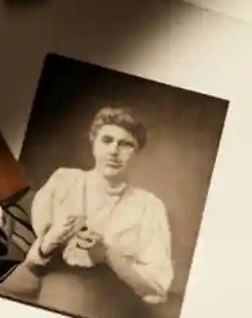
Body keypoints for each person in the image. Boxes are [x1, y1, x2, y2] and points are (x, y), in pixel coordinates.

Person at [19, 107, 174, 316]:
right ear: (93, 141)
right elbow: (22, 256)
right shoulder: (63, 182)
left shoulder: (149, 206)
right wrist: (51, 240)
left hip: (112, 309)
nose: (114, 151)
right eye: (107, 140)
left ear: (136, 152)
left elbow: (156, 286)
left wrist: (110, 256)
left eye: (126, 144)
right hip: (50, 299)